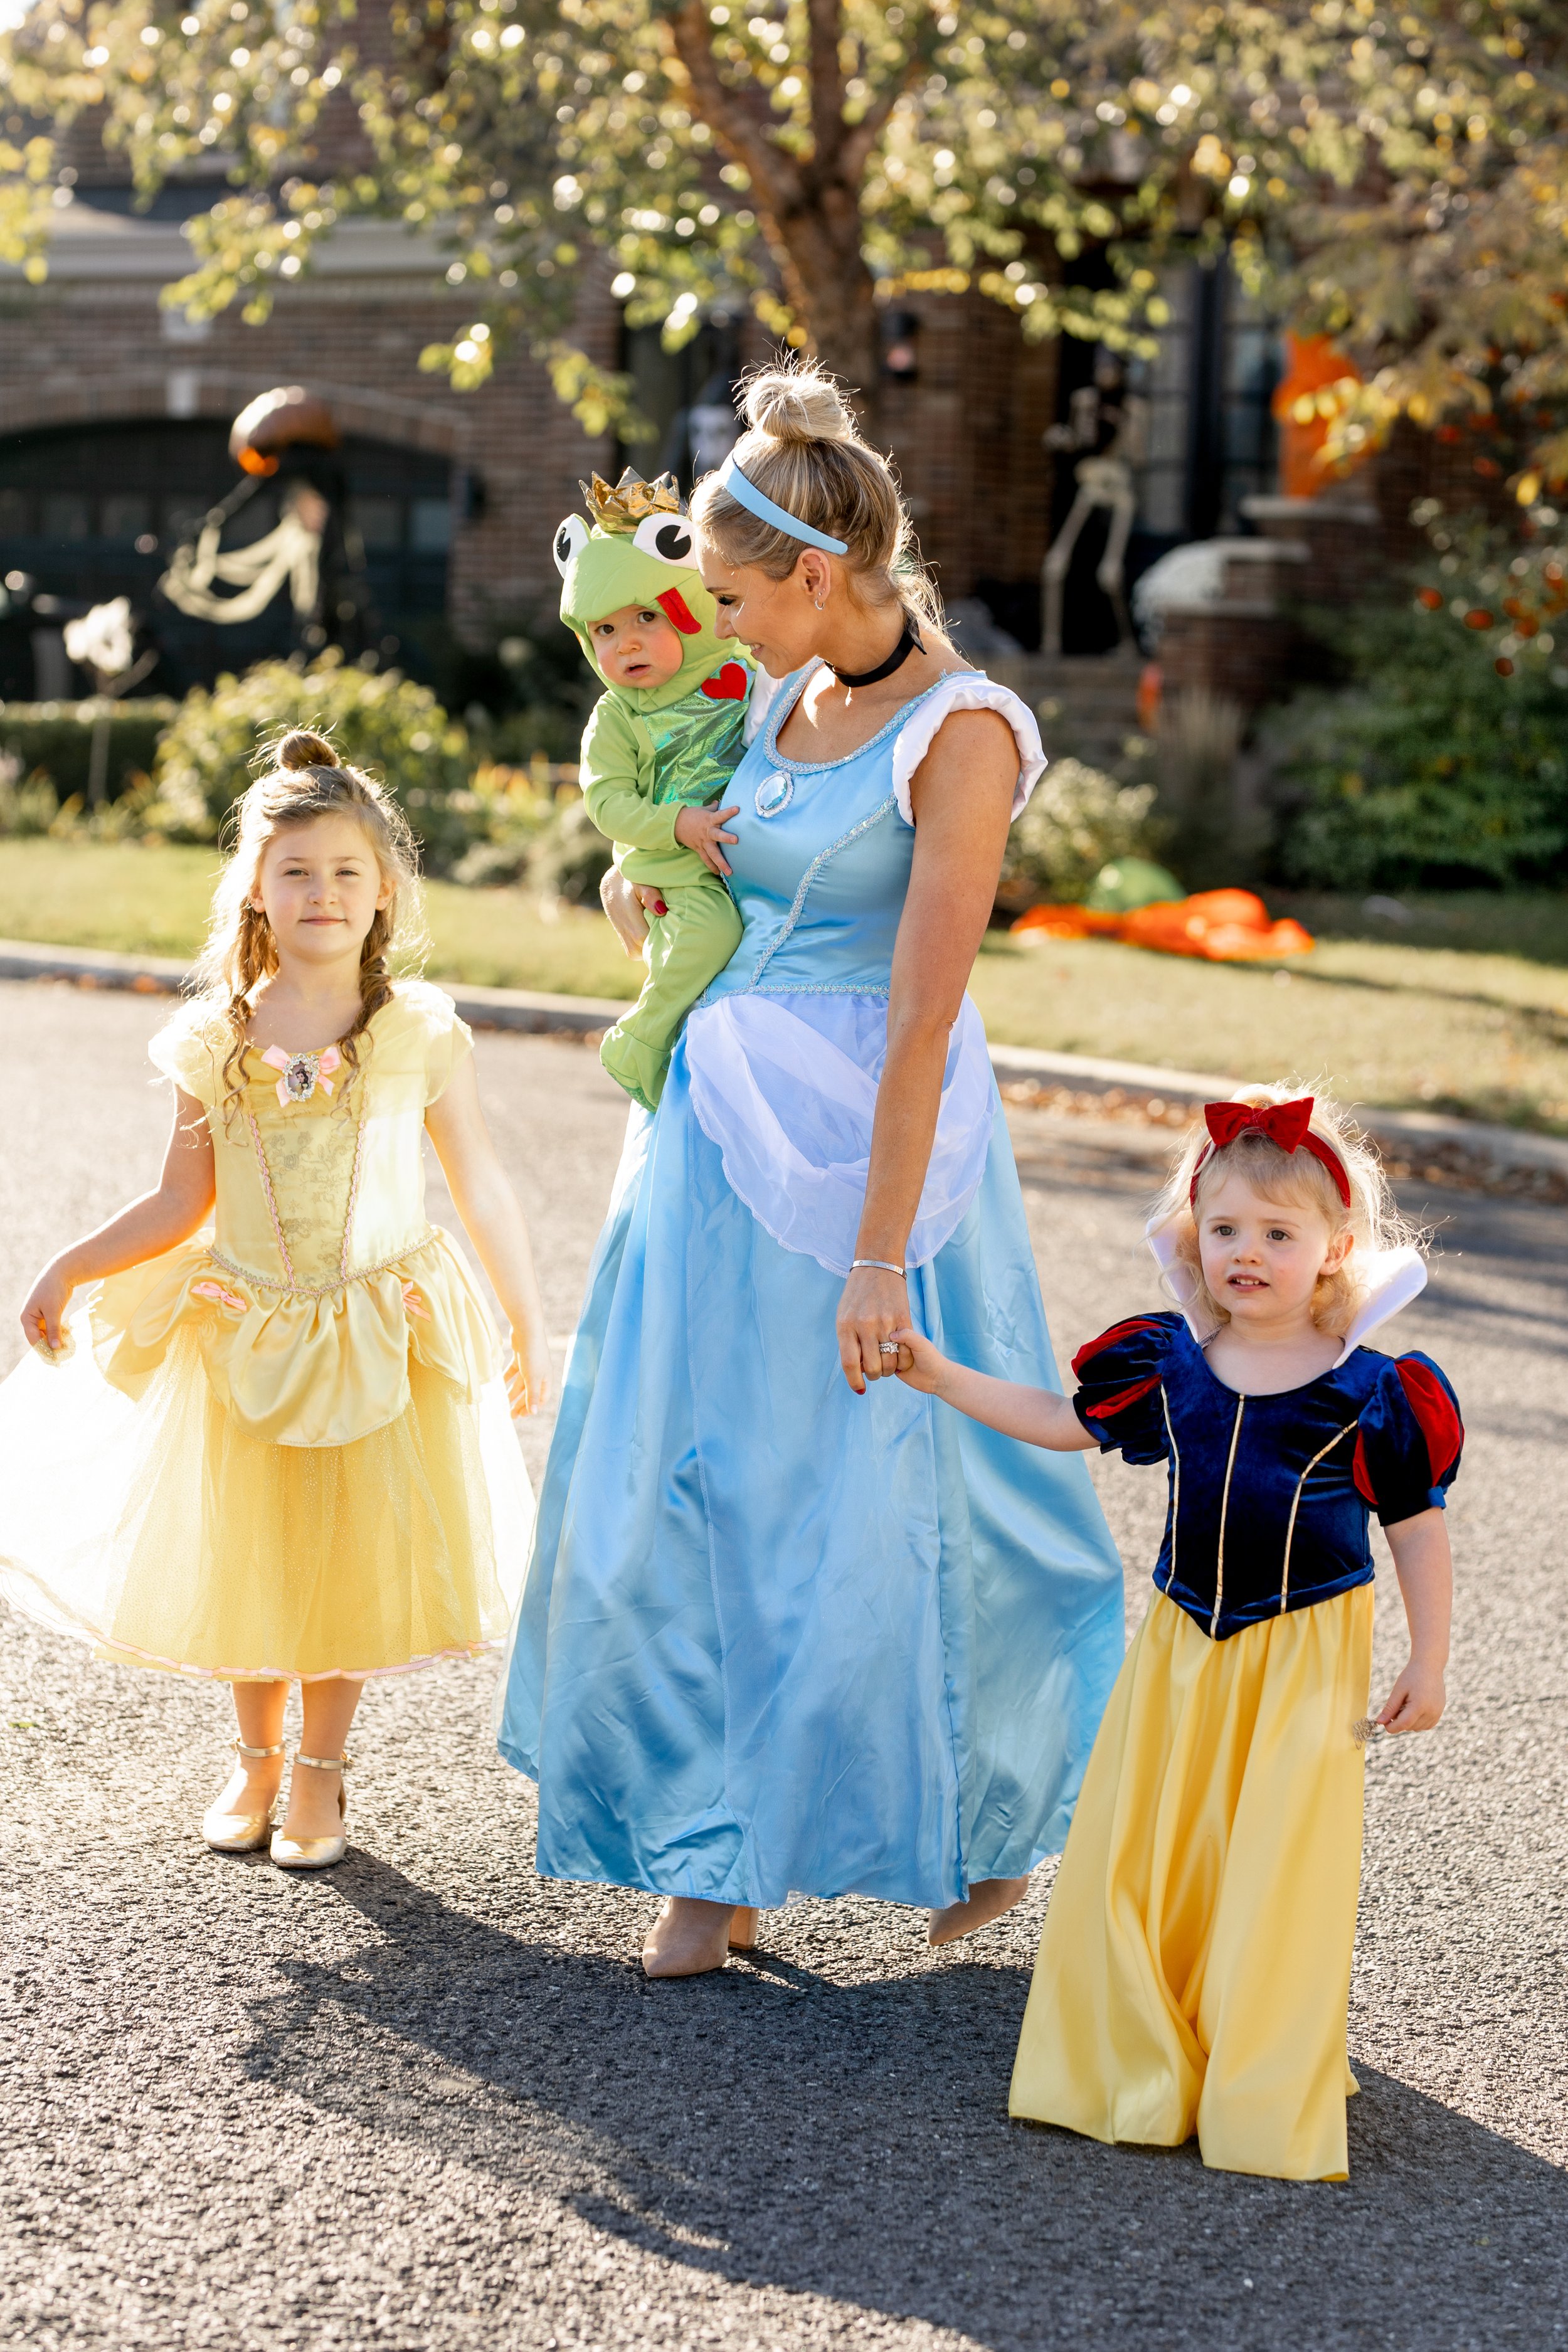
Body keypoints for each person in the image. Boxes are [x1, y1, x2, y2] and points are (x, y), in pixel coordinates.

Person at [497, 361, 1126, 1978]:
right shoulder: (773, 694)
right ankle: (715, 1848)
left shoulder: (961, 733)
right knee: (697, 1477)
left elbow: (921, 1017)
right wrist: (644, 897)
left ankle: (980, 1822)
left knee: (911, 1495)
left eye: (727, 594)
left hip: (872, 1157)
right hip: (715, 1136)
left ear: (817, 577)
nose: (709, 623)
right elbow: (730, 879)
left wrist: (878, 1255)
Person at [0, 733, 549, 1870]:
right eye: (295, 871)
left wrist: (524, 1322)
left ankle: (320, 1771)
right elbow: (179, 1198)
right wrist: (71, 1264)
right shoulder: (217, 1040)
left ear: (385, 888)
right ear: (255, 886)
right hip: (246, 1327)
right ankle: (253, 1759)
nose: (322, 893)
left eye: (347, 871)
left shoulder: (415, 1031)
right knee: (249, 1551)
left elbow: (481, 1184)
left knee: (351, 1558)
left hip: (376, 1332)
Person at [892, 1089, 1461, 2180]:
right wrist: (938, 1373)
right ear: (1194, 1236)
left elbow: (1416, 1527)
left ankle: (1256, 2076)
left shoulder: (1374, 1393)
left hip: (1302, 1656)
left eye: (1279, 1234)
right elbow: (1060, 1422)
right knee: (1151, 1849)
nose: (1247, 1252)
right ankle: (1138, 2059)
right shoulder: (1171, 1365)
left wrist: (1427, 1659)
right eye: (1225, 1227)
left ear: (1337, 1248)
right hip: (1181, 1649)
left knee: (1273, 1863)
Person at [559, 467, 754, 1113]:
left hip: (738, 855)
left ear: (689, 609)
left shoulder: (746, 670)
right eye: (605, 631)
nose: (628, 643)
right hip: (673, 867)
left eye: (647, 616)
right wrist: (677, 825)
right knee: (709, 934)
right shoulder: (617, 716)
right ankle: (640, 1038)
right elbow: (607, 802)